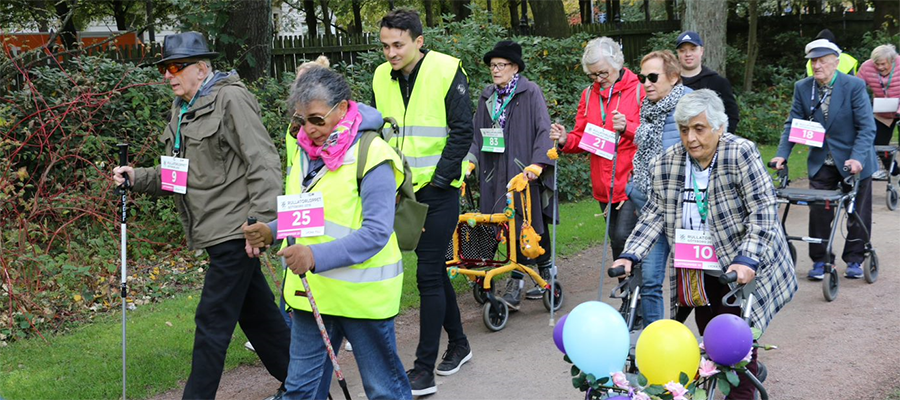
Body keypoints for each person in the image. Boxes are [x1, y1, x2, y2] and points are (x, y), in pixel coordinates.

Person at [112, 32, 289, 400]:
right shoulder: (184, 109)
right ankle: (305, 384)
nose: (168, 75)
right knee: (259, 318)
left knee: (211, 323)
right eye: (165, 68)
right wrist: (138, 176)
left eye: (176, 67)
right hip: (213, 232)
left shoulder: (230, 99)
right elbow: (178, 176)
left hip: (235, 232)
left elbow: (264, 160)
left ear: (202, 68)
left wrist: (261, 223)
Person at [613, 89, 798, 400]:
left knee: (735, 339)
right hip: (696, 267)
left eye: (699, 129)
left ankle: (742, 387)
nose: (691, 138)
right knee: (709, 335)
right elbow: (653, 215)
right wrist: (631, 254)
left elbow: (763, 210)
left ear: (719, 127)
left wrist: (747, 259)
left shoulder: (740, 153)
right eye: (684, 130)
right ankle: (729, 374)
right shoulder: (666, 163)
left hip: (741, 265)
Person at [242, 67, 411, 400]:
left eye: (317, 119)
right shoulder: (304, 151)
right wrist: (271, 231)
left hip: (362, 298)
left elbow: (376, 233)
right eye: (301, 120)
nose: (309, 129)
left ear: (344, 108)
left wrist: (314, 256)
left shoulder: (372, 153)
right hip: (313, 294)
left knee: (383, 391)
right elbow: (309, 214)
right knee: (300, 391)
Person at [372, 8, 473, 396]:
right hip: (401, 191)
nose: (391, 53)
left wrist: (442, 179)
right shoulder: (382, 76)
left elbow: (462, 131)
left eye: (398, 45)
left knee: (427, 273)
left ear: (419, 40)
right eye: (385, 46)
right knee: (431, 270)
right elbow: (378, 128)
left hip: (440, 190)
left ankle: (423, 369)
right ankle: (460, 344)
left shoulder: (448, 70)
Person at [245, 55, 333, 355]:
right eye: (298, 83)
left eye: (306, 82)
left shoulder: (330, 125)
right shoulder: (296, 126)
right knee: (290, 266)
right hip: (299, 201)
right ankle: (286, 323)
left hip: (320, 204)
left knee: (309, 266)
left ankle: (323, 328)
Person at [771, 39, 877, 280]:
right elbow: (793, 124)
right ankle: (820, 260)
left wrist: (857, 158)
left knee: (857, 212)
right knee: (819, 212)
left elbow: (867, 128)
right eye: (813, 61)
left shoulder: (854, 86)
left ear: (836, 62)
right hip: (822, 160)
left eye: (822, 61)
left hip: (854, 160)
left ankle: (854, 259)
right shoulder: (803, 87)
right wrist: (782, 154)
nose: (817, 66)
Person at [548, 36, 643, 298]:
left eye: (603, 72)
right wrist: (566, 140)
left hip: (632, 180)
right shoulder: (588, 94)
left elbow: (651, 134)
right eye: (593, 74)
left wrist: (628, 128)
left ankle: (637, 292)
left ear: (618, 64)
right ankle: (629, 290)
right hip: (603, 183)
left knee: (625, 235)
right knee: (615, 237)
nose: (598, 78)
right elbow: (583, 138)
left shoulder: (639, 90)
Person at [468, 40, 557, 307]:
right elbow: (476, 136)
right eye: (492, 66)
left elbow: (544, 129)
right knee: (494, 221)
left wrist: (537, 164)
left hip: (522, 172)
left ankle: (527, 277)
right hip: (494, 174)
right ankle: (491, 274)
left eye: (501, 65)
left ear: (514, 67)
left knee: (526, 222)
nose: (495, 70)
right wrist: (469, 163)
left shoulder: (530, 93)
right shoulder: (487, 97)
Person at [628, 50, 693, 326]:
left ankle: (694, 344)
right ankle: (657, 340)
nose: (646, 83)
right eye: (643, 78)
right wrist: (635, 189)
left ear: (674, 77)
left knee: (692, 285)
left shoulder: (690, 108)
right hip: (652, 209)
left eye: (653, 77)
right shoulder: (648, 109)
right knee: (651, 279)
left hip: (684, 213)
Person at [675, 31, 740, 134]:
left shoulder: (718, 82)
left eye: (693, 49)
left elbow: (732, 115)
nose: (688, 54)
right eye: (683, 51)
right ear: (677, 53)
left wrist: (721, 140)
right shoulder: (670, 83)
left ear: (701, 51)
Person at [858, 44, 900, 178]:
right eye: (877, 64)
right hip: (883, 111)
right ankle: (893, 169)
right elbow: (857, 88)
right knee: (878, 144)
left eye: (883, 64)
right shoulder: (866, 67)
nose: (880, 67)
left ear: (892, 60)